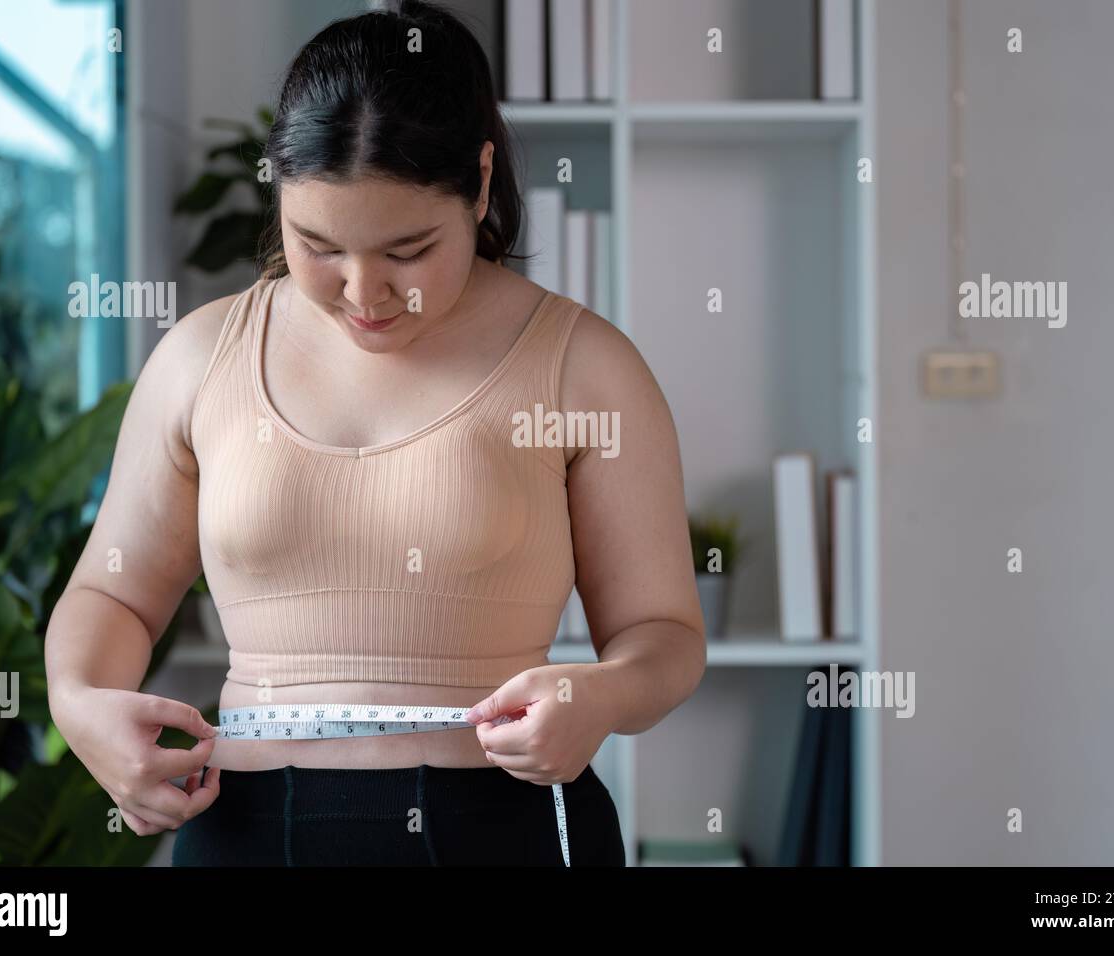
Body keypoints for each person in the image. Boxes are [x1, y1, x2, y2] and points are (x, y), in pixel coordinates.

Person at [44, 0, 705, 866]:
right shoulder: (202, 357)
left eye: (406, 250)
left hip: (495, 832)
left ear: (478, 181)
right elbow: (115, 595)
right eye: (318, 245)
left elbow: (664, 634)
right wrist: (79, 703)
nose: (364, 293)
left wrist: (606, 697)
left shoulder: (586, 368)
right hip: (244, 834)